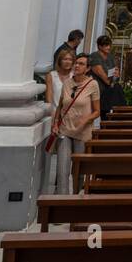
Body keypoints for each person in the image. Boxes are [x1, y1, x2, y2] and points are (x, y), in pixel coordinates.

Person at [53, 53, 100, 195]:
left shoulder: (93, 84)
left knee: (78, 171)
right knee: (62, 169)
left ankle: (75, 196)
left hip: (82, 132)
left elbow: (97, 111)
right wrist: (55, 123)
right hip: (65, 130)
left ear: (88, 68)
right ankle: (62, 201)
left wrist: (85, 120)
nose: (77, 66)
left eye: (81, 64)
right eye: (76, 63)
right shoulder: (67, 83)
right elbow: (61, 106)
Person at [41, 48, 74, 192]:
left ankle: (59, 187)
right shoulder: (51, 75)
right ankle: (44, 185)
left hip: (70, 119)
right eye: (65, 59)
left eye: (70, 60)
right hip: (54, 116)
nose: (67, 62)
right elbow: (49, 96)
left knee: (64, 155)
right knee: (49, 151)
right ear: (59, 60)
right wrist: (53, 117)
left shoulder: (75, 76)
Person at [89, 34, 125, 116]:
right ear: (99, 46)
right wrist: (112, 80)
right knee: (116, 89)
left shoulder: (110, 57)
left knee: (117, 88)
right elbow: (104, 77)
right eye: (106, 45)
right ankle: (119, 115)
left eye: (109, 45)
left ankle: (119, 115)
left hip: (109, 88)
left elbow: (114, 72)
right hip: (99, 88)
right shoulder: (95, 56)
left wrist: (116, 76)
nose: (108, 47)